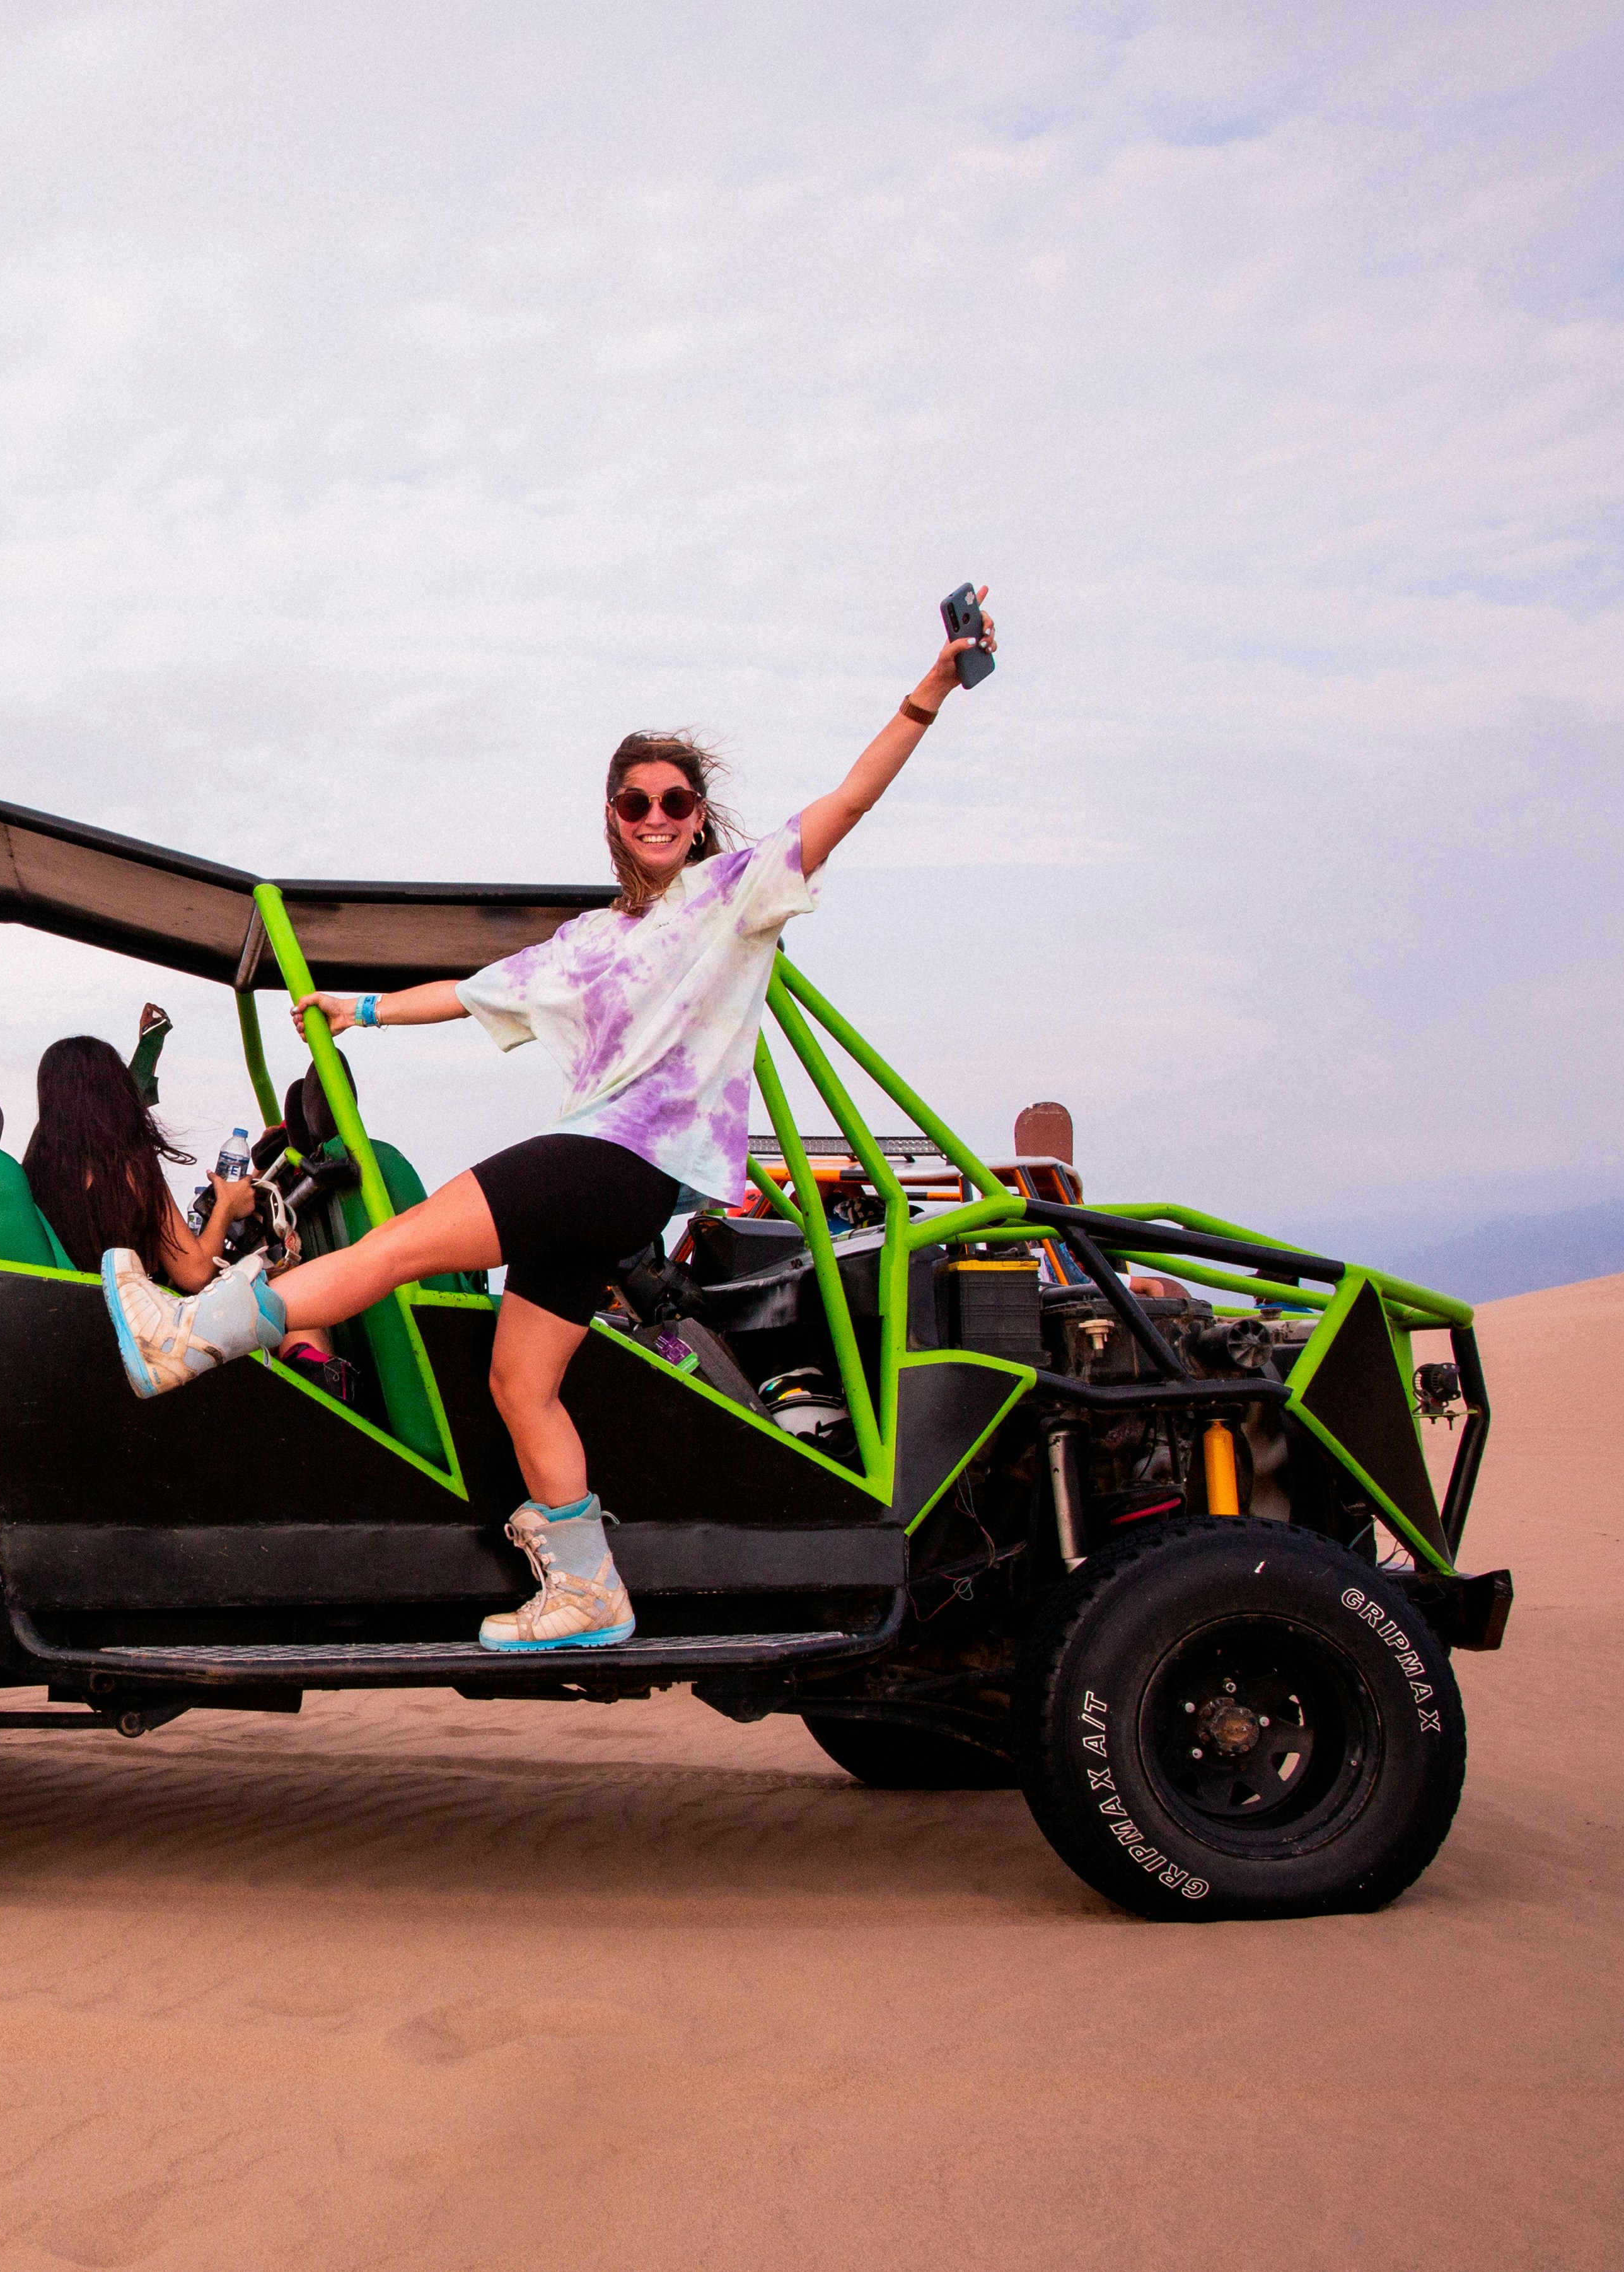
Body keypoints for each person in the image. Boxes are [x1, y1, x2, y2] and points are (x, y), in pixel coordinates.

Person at [102, 592, 995, 1654]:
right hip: (603, 1177)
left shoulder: (735, 894)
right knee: (520, 1383)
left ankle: (188, 1337)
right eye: (636, 800)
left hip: (617, 1161)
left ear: (697, 815)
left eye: (675, 799)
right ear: (612, 815)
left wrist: (928, 692)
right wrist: (361, 1010)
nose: (656, 815)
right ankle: (587, 1589)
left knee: (397, 1245)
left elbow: (847, 799)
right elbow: (474, 990)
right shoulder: (586, 941)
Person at [20, 1035, 347, 1392]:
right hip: (152, 1347)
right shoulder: (129, 1167)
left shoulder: (33, 1176)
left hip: (82, 1341)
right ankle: (316, 1376)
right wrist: (227, 1206)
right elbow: (195, 1273)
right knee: (284, 1281)